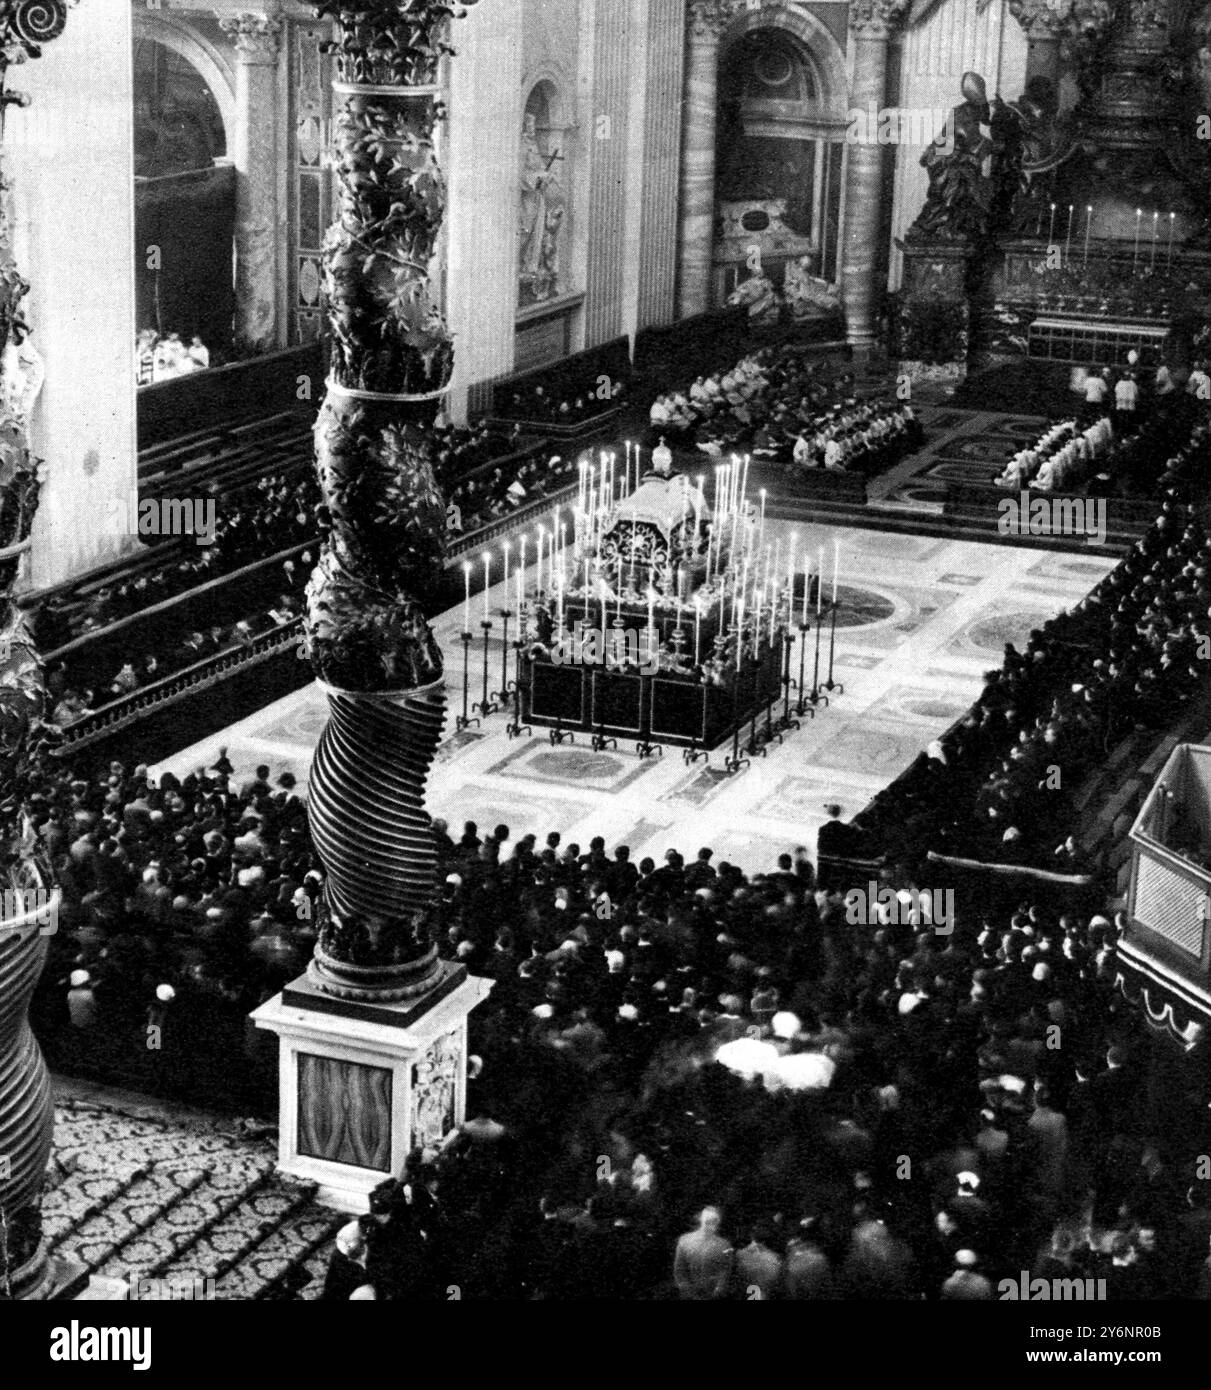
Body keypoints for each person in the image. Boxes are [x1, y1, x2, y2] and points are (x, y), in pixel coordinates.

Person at [673, 1206, 733, 1300]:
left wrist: (718, 1290)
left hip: (713, 1295)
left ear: (718, 1222)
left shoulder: (725, 1245)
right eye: (707, 1220)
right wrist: (689, 1293)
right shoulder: (684, 1241)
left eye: (714, 1221)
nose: (710, 1224)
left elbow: (725, 1271)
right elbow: (679, 1270)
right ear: (701, 1219)